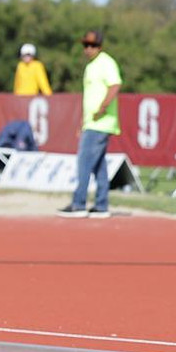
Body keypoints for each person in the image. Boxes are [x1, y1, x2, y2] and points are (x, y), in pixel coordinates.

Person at [61, 30, 121, 217]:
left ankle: (78, 204)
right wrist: (83, 121)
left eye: (92, 45)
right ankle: (101, 206)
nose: (88, 49)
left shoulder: (106, 62)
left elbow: (115, 85)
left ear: (100, 46)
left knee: (84, 163)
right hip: (91, 122)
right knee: (98, 166)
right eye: (85, 45)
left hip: (100, 123)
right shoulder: (91, 66)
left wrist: (103, 108)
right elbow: (89, 96)